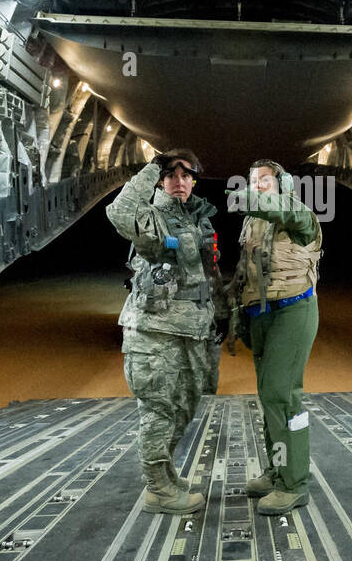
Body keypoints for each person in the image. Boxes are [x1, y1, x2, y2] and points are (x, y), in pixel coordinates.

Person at [106, 149, 227, 514]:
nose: (179, 182)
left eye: (186, 175)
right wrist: (151, 167)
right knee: (159, 409)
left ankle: (166, 475)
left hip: (193, 331)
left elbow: (210, 273)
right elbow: (119, 212)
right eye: (171, 175)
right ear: (161, 180)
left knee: (185, 406)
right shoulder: (150, 216)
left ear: (194, 181)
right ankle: (157, 488)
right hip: (155, 333)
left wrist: (220, 316)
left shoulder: (200, 220)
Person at [226, 160, 321, 515]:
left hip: (293, 310)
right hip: (261, 315)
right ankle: (278, 469)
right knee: (270, 396)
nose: (258, 185)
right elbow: (243, 273)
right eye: (253, 180)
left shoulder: (298, 213)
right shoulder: (251, 225)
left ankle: (294, 484)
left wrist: (251, 195)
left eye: (266, 180)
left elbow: (282, 210)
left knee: (283, 394)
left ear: (281, 184)